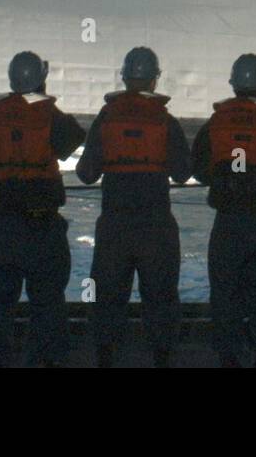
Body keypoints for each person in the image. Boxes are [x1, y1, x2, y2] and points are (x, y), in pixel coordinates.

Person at [77, 46, 190, 368]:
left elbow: (85, 174)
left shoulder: (106, 117)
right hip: (156, 224)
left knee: (108, 298)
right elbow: (183, 173)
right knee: (161, 297)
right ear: (155, 80)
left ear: (124, 79)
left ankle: (105, 357)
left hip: (115, 224)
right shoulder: (166, 120)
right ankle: (162, 358)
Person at [0, 51, 85, 368]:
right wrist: (43, 103)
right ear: (42, 78)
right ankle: (46, 360)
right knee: (48, 303)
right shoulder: (53, 118)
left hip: (2, 226)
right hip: (42, 227)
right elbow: (75, 138)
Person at [191, 53, 256, 368]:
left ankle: (228, 357)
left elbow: (198, 168)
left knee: (225, 294)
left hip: (227, 225)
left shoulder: (215, 123)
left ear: (233, 85)